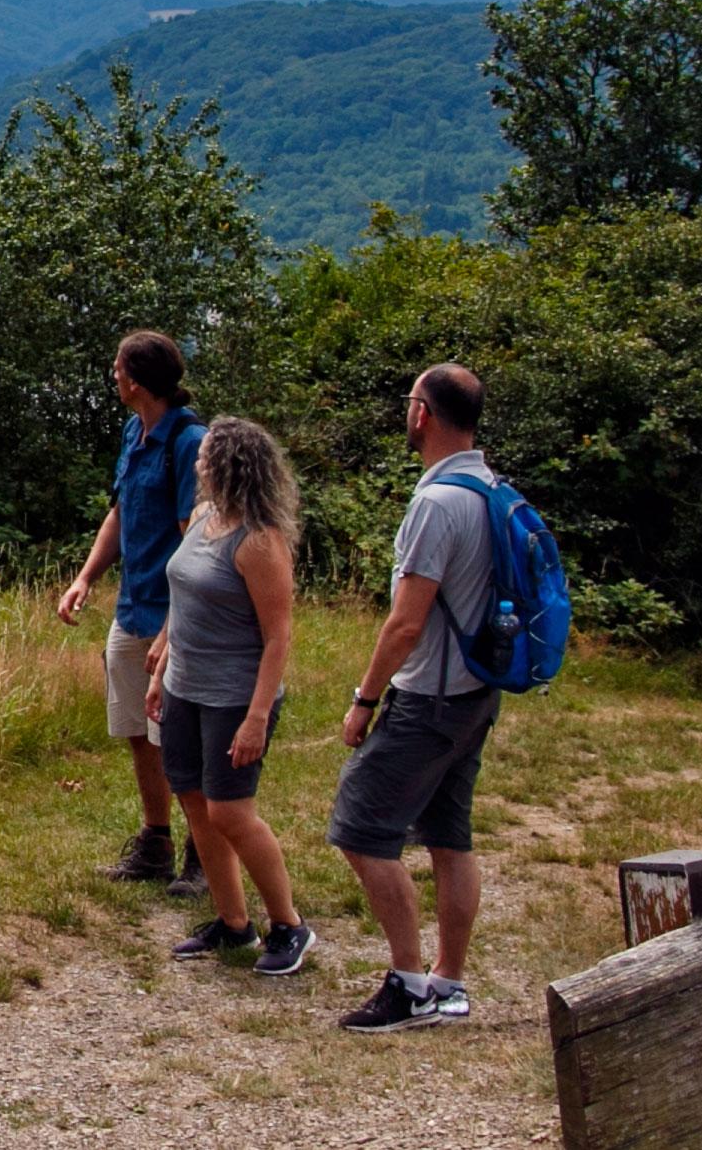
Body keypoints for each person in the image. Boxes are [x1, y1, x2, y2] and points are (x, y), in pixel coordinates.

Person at [328, 362, 503, 1033]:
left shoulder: (435, 503)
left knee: (362, 827)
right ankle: (449, 982)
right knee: (449, 837)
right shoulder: (489, 488)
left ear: (422, 413)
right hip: (475, 693)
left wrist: (364, 701)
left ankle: (408, 985)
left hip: (427, 698)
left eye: (410, 403)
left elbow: (405, 622)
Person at [145, 416, 314, 976]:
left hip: (235, 697)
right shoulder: (203, 518)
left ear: (227, 464)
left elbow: (278, 636)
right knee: (194, 802)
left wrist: (257, 716)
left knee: (231, 813)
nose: (197, 461)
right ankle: (233, 924)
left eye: (206, 454)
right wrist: (161, 663)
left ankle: (289, 926)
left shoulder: (260, 541)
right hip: (184, 689)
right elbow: (184, 594)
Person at [56, 330, 204, 887]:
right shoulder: (132, 432)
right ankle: (155, 843)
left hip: (175, 616)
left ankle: (203, 854)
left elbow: (197, 544)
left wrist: (174, 628)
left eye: (116, 369)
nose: (112, 378)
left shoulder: (190, 443)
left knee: (181, 740)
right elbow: (121, 512)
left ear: (136, 380)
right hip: (133, 605)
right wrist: (86, 577)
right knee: (137, 728)